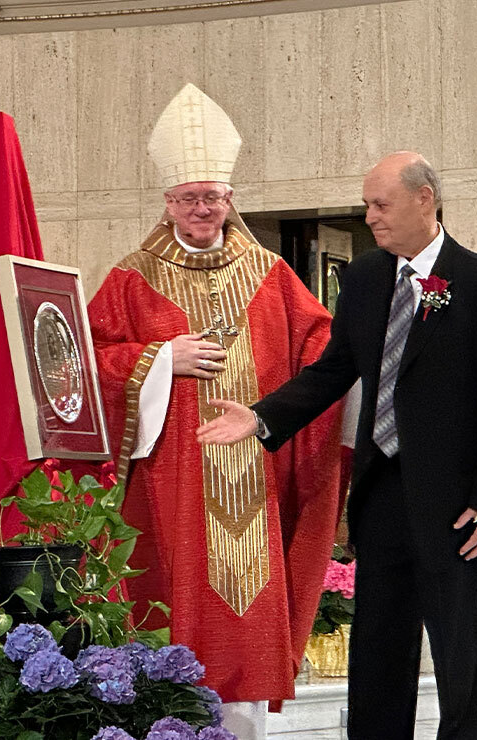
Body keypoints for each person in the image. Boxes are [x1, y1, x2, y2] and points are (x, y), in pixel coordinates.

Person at [197, 151, 477, 740]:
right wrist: (260, 417)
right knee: (378, 645)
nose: (371, 217)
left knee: (461, 650)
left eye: (381, 205)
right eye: (368, 206)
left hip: (459, 505)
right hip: (382, 496)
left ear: (424, 197)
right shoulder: (367, 277)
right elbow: (335, 370)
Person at [88, 83, 343, 740]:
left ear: (231, 200)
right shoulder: (130, 277)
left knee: (245, 624)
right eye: (188, 198)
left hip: (254, 485)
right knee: (165, 610)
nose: (202, 209)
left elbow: (325, 353)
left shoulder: (271, 274)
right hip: (165, 490)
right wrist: (154, 361)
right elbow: (86, 366)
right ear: (167, 202)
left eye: (213, 198)